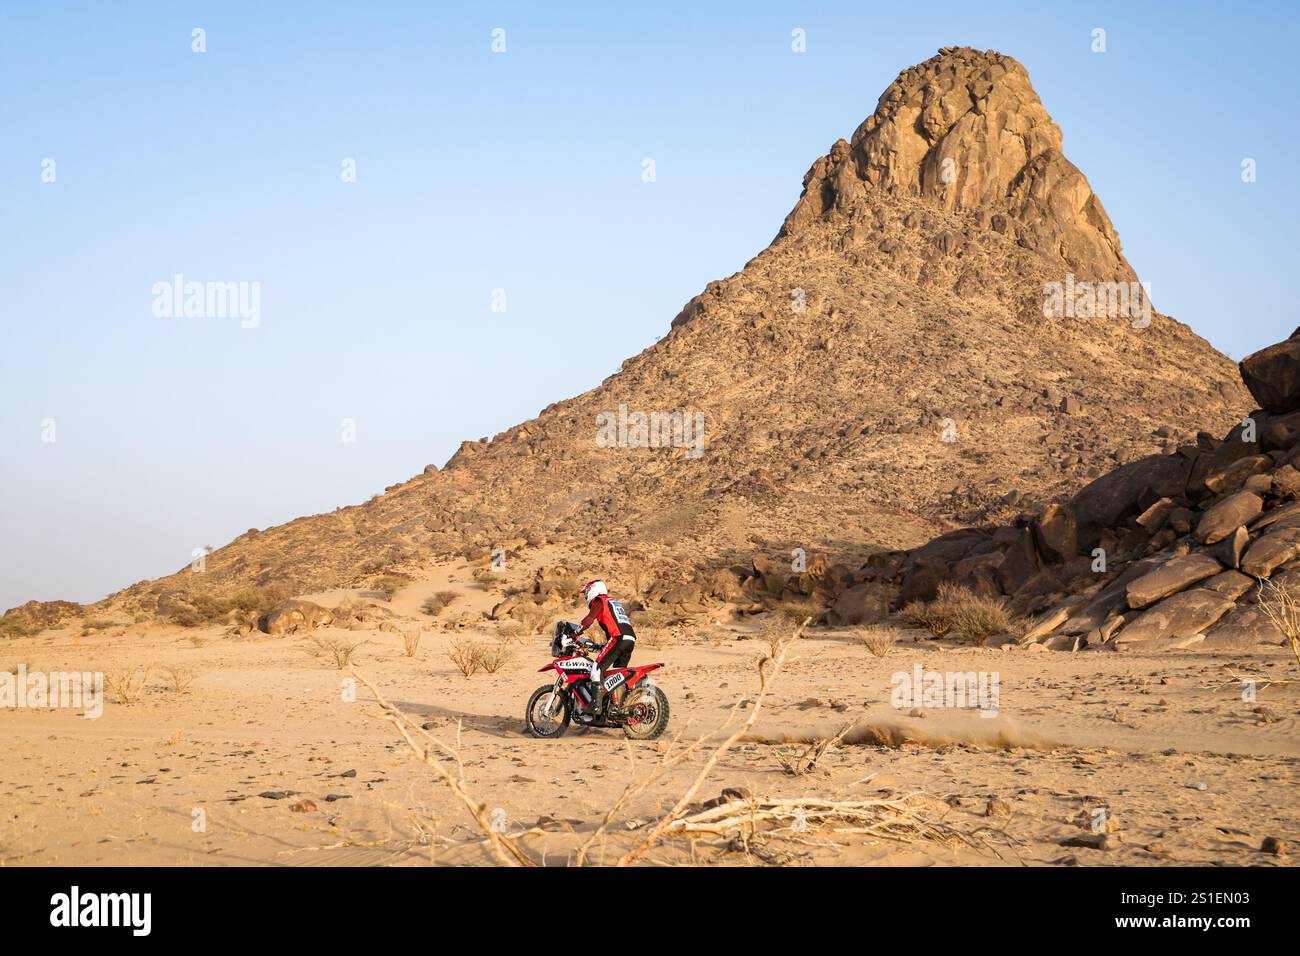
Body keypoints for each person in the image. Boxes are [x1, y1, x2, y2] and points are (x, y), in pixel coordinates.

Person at [572, 579, 636, 713]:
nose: (586, 597)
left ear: (593, 590)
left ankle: (596, 706)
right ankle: (618, 707)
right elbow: (615, 623)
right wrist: (601, 646)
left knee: (597, 669)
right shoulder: (612, 602)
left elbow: (589, 619)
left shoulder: (599, 601)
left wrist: (576, 632)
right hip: (629, 639)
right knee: (617, 674)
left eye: (587, 592)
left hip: (618, 638)